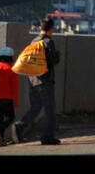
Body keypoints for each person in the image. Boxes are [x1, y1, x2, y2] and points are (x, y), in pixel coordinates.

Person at [16, 17, 61, 145]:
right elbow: (52, 61)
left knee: (36, 106)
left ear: (41, 28)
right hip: (45, 81)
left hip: (32, 80)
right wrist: (58, 55)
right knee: (50, 109)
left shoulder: (34, 41)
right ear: (51, 29)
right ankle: (47, 137)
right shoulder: (48, 42)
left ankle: (20, 125)